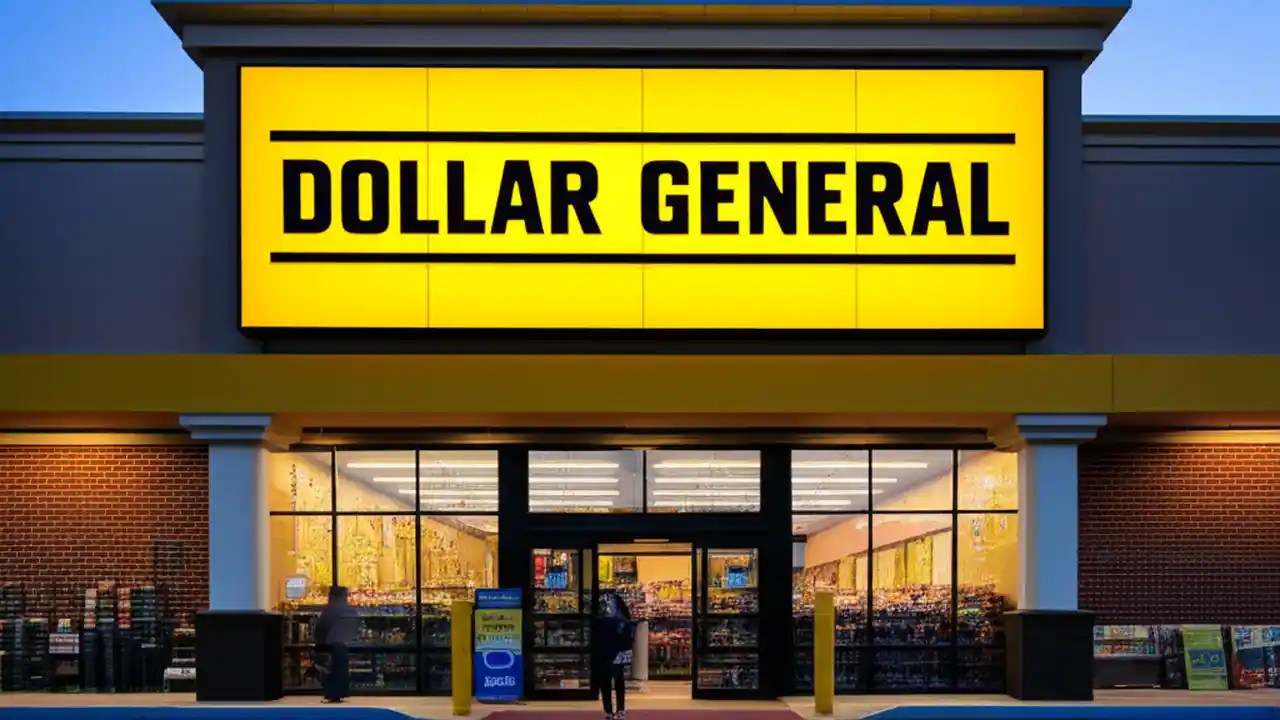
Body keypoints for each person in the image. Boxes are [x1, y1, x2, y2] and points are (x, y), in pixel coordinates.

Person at [591, 592, 635, 720]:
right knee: (618, 681)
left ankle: (609, 711)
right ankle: (620, 710)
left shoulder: (599, 618)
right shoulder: (622, 618)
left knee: (605, 682)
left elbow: (595, 636)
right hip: (618, 652)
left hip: (604, 652)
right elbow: (628, 634)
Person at [314, 585, 359, 703]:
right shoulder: (351, 610)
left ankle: (333, 691)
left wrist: (318, 641)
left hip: (332, 645)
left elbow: (321, 628)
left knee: (332, 666)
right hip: (347, 644)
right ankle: (340, 690)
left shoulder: (329, 610)